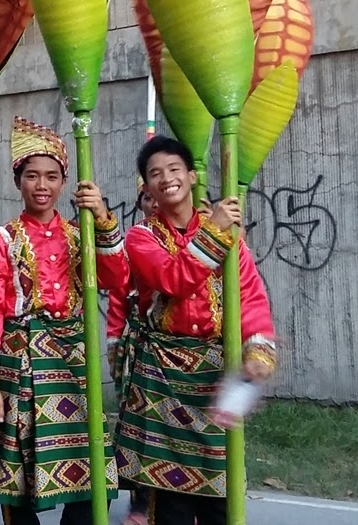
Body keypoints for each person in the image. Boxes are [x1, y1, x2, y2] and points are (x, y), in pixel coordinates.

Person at [0, 117, 128, 525]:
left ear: (64, 184)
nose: (41, 185)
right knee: (18, 474)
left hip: (73, 367)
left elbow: (116, 279)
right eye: (32, 176)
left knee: (90, 467)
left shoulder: (81, 235)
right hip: (20, 366)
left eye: (52, 176)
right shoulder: (0, 240)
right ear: (17, 181)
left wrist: (103, 219)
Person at [114, 136, 276, 525]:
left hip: (214, 376)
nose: (166, 178)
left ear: (191, 176)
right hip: (162, 380)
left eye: (174, 169)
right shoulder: (141, 237)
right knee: (170, 506)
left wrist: (257, 350)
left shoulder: (230, 236)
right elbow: (173, 279)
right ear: (147, 187)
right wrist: (215, 229)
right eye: (155, 173)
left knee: (221, 500)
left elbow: (249, 296)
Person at [106, 177, 157, 525]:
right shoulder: (133, 243)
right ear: (140, 204)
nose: (155, 204)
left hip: (179, 352)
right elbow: (118, 299)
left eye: (158, 197)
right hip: (138, 350)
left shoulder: (192, 238)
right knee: (139, 428)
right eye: (147, 198)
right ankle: (140, 504)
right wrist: (115, 346)